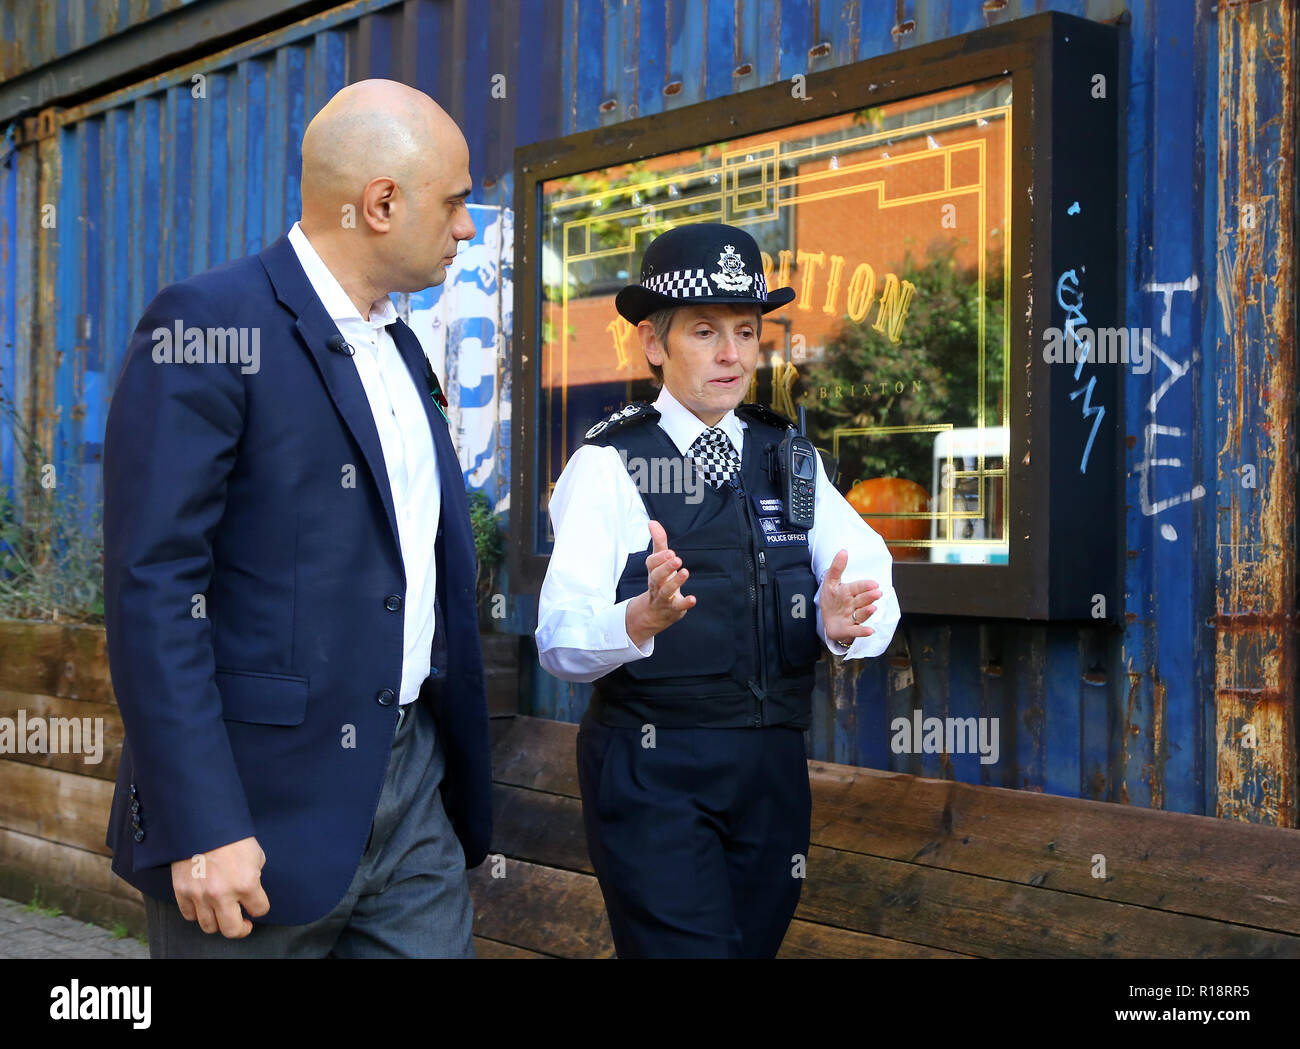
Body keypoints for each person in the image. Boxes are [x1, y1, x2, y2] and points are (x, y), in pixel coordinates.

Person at [102, 79, 492, 958]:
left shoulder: (401, 346)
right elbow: (152, 586)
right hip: (252, 810)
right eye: (455, 201)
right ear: (381, 204)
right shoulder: (209, 323)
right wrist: (200, 820)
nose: (466, 226)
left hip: (413, 794)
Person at [535, 222, 901, 958]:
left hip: (772, 769)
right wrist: (638, 619)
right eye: (705, 332)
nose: (732, 353)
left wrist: (840, 621)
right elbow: (558, 638)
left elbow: (868, 577)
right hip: (653, 769)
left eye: (746, 330)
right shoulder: (607, 464)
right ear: (653, 342)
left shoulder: (788, 455)